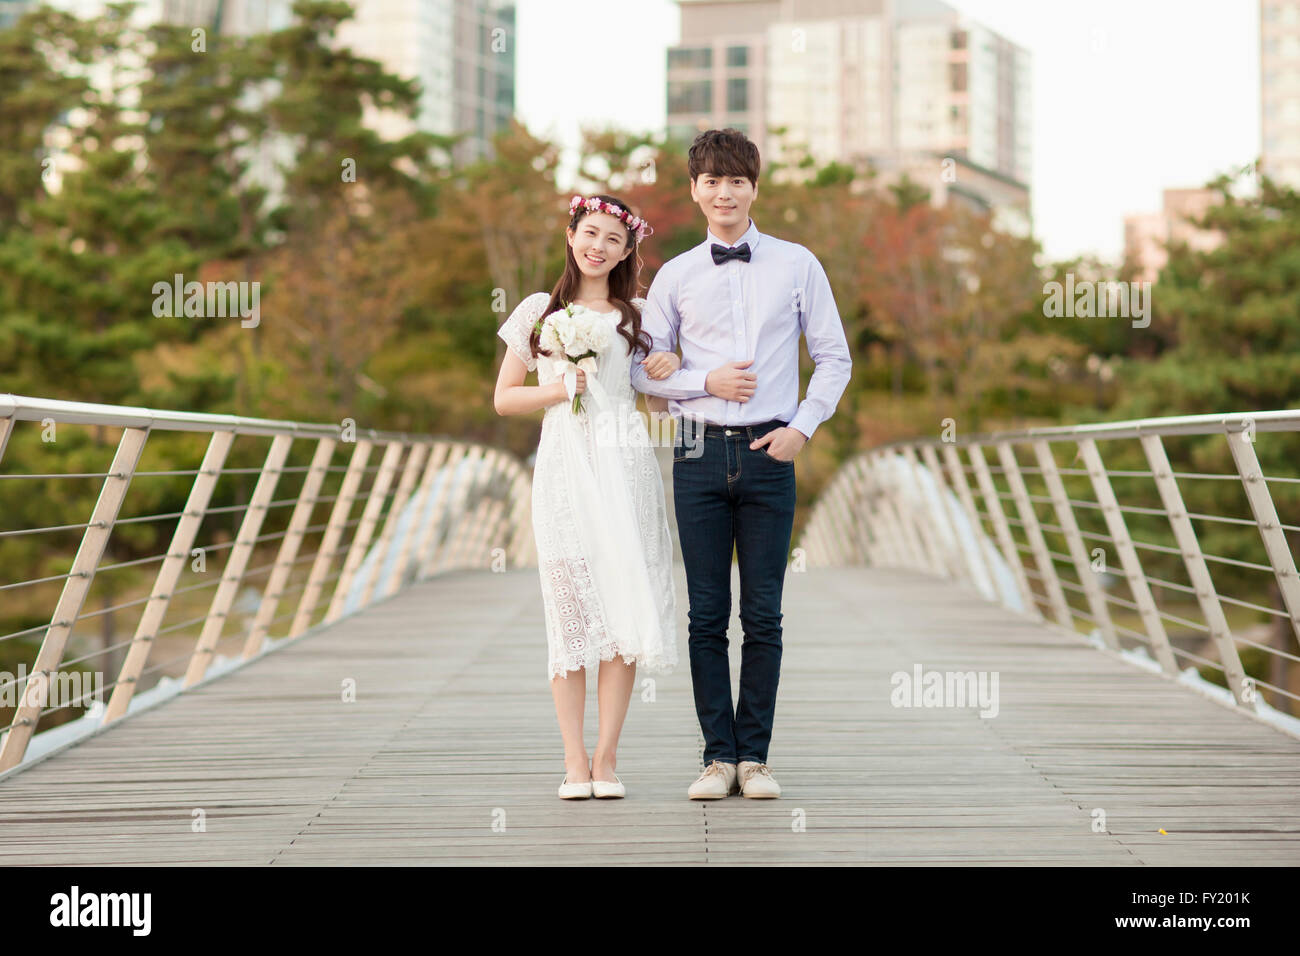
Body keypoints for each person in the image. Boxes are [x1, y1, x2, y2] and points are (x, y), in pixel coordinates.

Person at [630, 129, 853, 800]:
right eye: (710, 181)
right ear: (694, 189)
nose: (723, 192)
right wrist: (704, 381)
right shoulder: (674, 275)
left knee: (762, 614)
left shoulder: (797, 264)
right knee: (704, 614)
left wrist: (802, 428)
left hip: (768, 450)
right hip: (696, 450)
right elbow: (646, 371)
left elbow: (834, 357)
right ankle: (715, 758)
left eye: (735, 180)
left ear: (755, 187)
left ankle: (754, 759)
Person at [493, 194, 682, 800]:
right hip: (563, 467)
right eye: (589, 232)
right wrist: (557, 389)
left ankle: (606, 759)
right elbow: (503, 399)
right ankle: (573, 760)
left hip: (624, 463)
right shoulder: (537, 312)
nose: (598, 246)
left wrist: (666, 371)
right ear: (571, 234)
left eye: (613, 239)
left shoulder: (640, 315)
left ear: (628, 251)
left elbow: (657, 406)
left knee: (622, 607)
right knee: (570, 610)